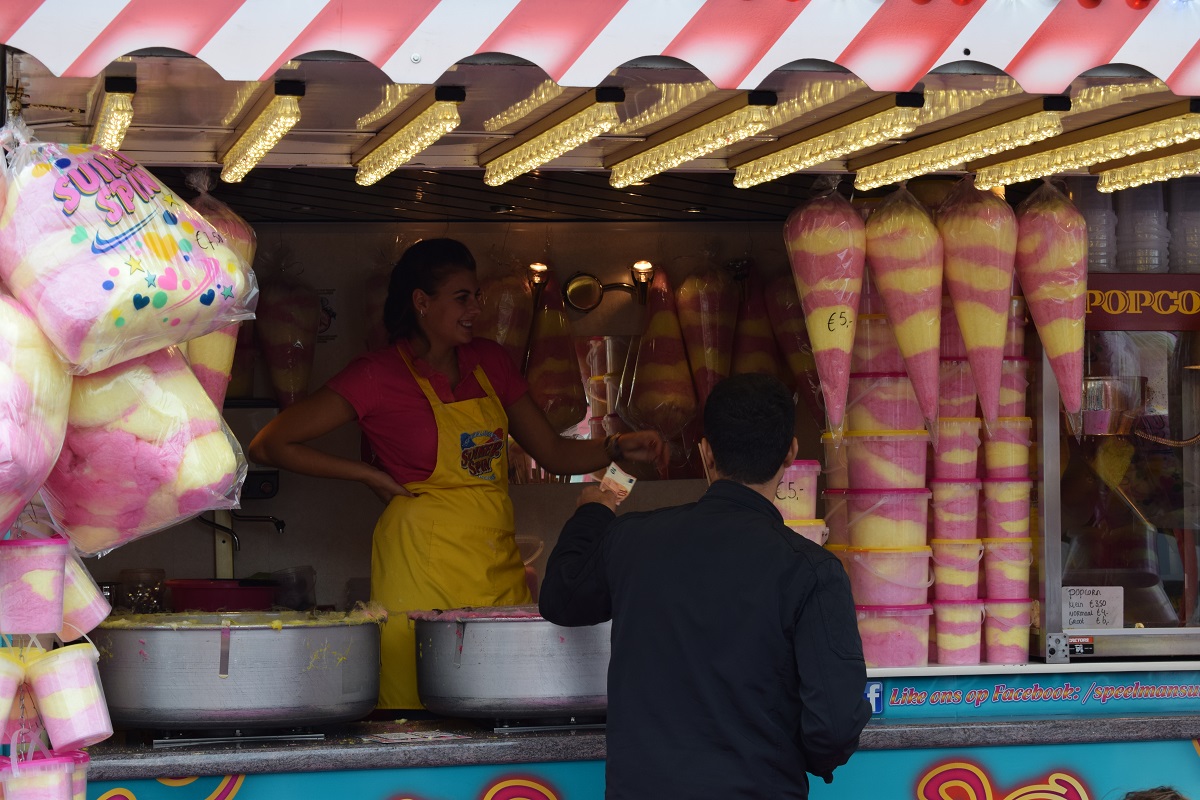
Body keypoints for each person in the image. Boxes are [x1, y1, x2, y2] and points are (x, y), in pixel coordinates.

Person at [248, 238, 666, 709]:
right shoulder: (376, 375)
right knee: (420, 699)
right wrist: (366, 474)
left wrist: (616, 446)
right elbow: (270, 444)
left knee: (505, 699)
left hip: (494, 561)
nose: (476, 309)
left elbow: (552, 453)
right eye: (462, 297)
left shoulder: (491, 362)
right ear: (422, 302)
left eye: (477, 296)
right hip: (417, 563)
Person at [540, 372, 871, 799]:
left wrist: (594, 512)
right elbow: (836, 726)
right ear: (791, 451)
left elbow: (561, 597)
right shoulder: (812, 571)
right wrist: (776, 754)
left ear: (706, 452)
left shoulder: (632, 540)